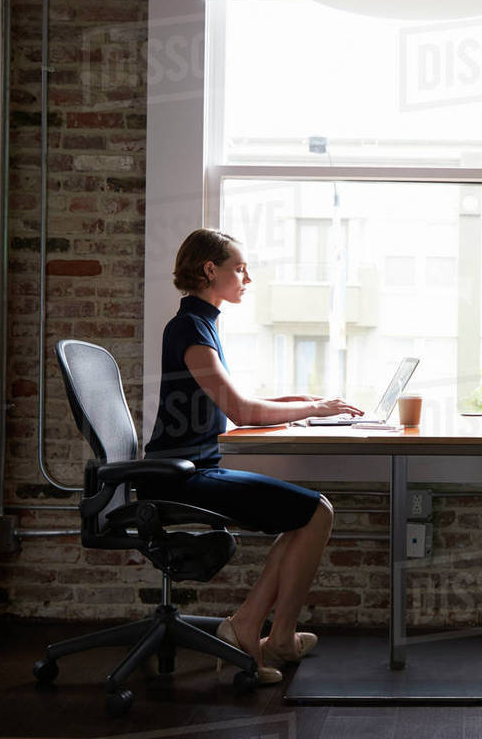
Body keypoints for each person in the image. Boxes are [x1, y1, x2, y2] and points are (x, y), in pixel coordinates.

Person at [142, 228, 363, 684]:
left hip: (190, 468)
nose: (248, 277)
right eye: (240, 269)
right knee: (316, 512)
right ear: (210, 270)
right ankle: (263, 632)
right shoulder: (189, 329)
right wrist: (315, 408)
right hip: (179, 475)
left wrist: (297, 401)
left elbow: (231, 401)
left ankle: (260, 629)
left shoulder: (200, 324)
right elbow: (239, 409)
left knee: (306, 515)